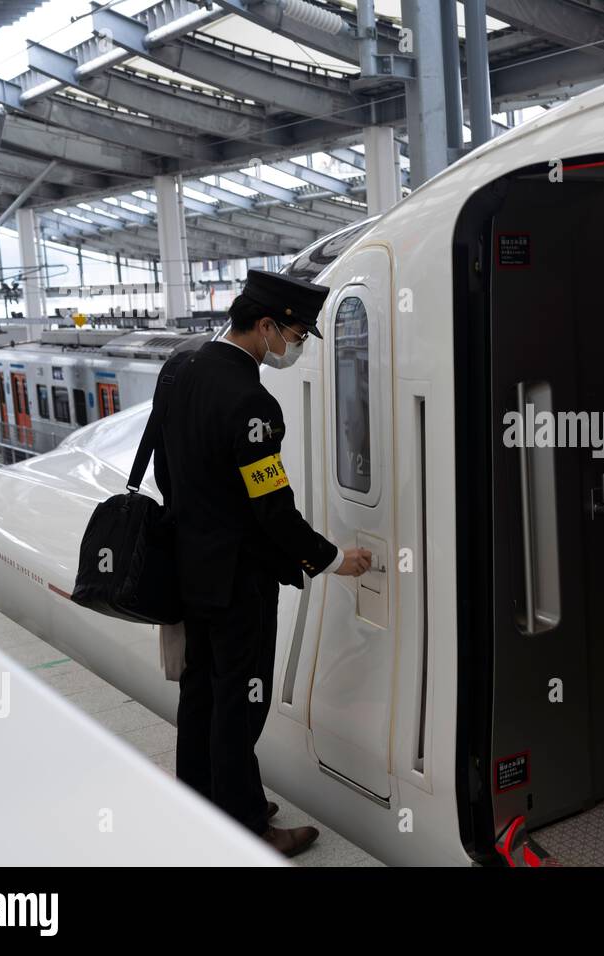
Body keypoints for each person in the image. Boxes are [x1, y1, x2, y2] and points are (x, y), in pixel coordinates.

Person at [152, 269, 371, 857]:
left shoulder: (179, 369)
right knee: (241, 702)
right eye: (297, 333)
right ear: (268, 325)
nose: (296, 346)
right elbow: (271, 507)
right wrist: (329, 559)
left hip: (188, 567)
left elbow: (165, 474)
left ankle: (202, 796)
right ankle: (245, 821)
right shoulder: (252, 402)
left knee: (200, 692)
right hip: (238, 581)